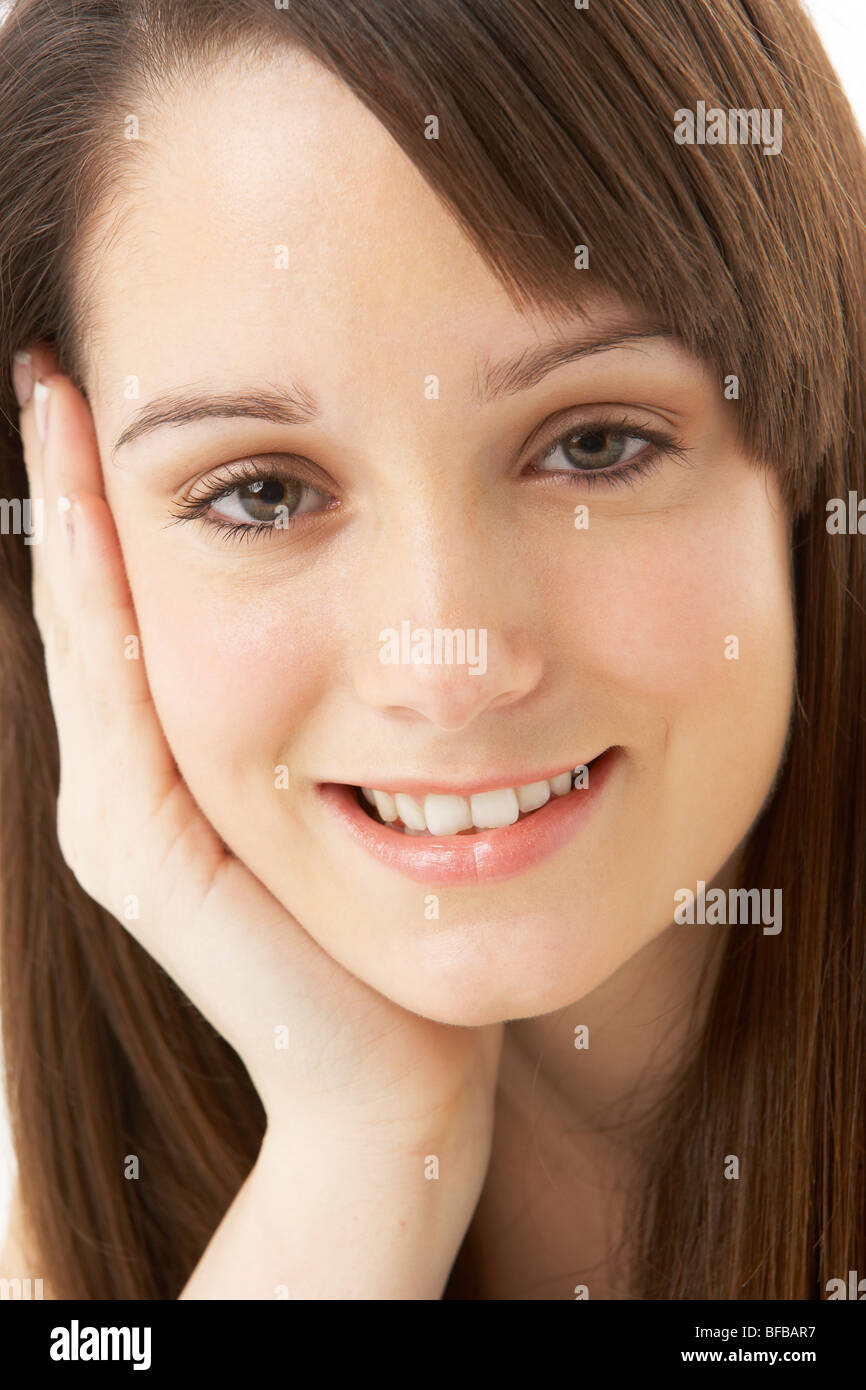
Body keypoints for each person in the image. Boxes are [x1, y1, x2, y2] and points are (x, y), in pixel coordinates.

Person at [0, 0, 863, 1300]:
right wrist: (357, 1149)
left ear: (810, 444)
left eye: (590, 445)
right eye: (263, 493)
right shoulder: (91, 1225)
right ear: (75, 557)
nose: (448, 663)